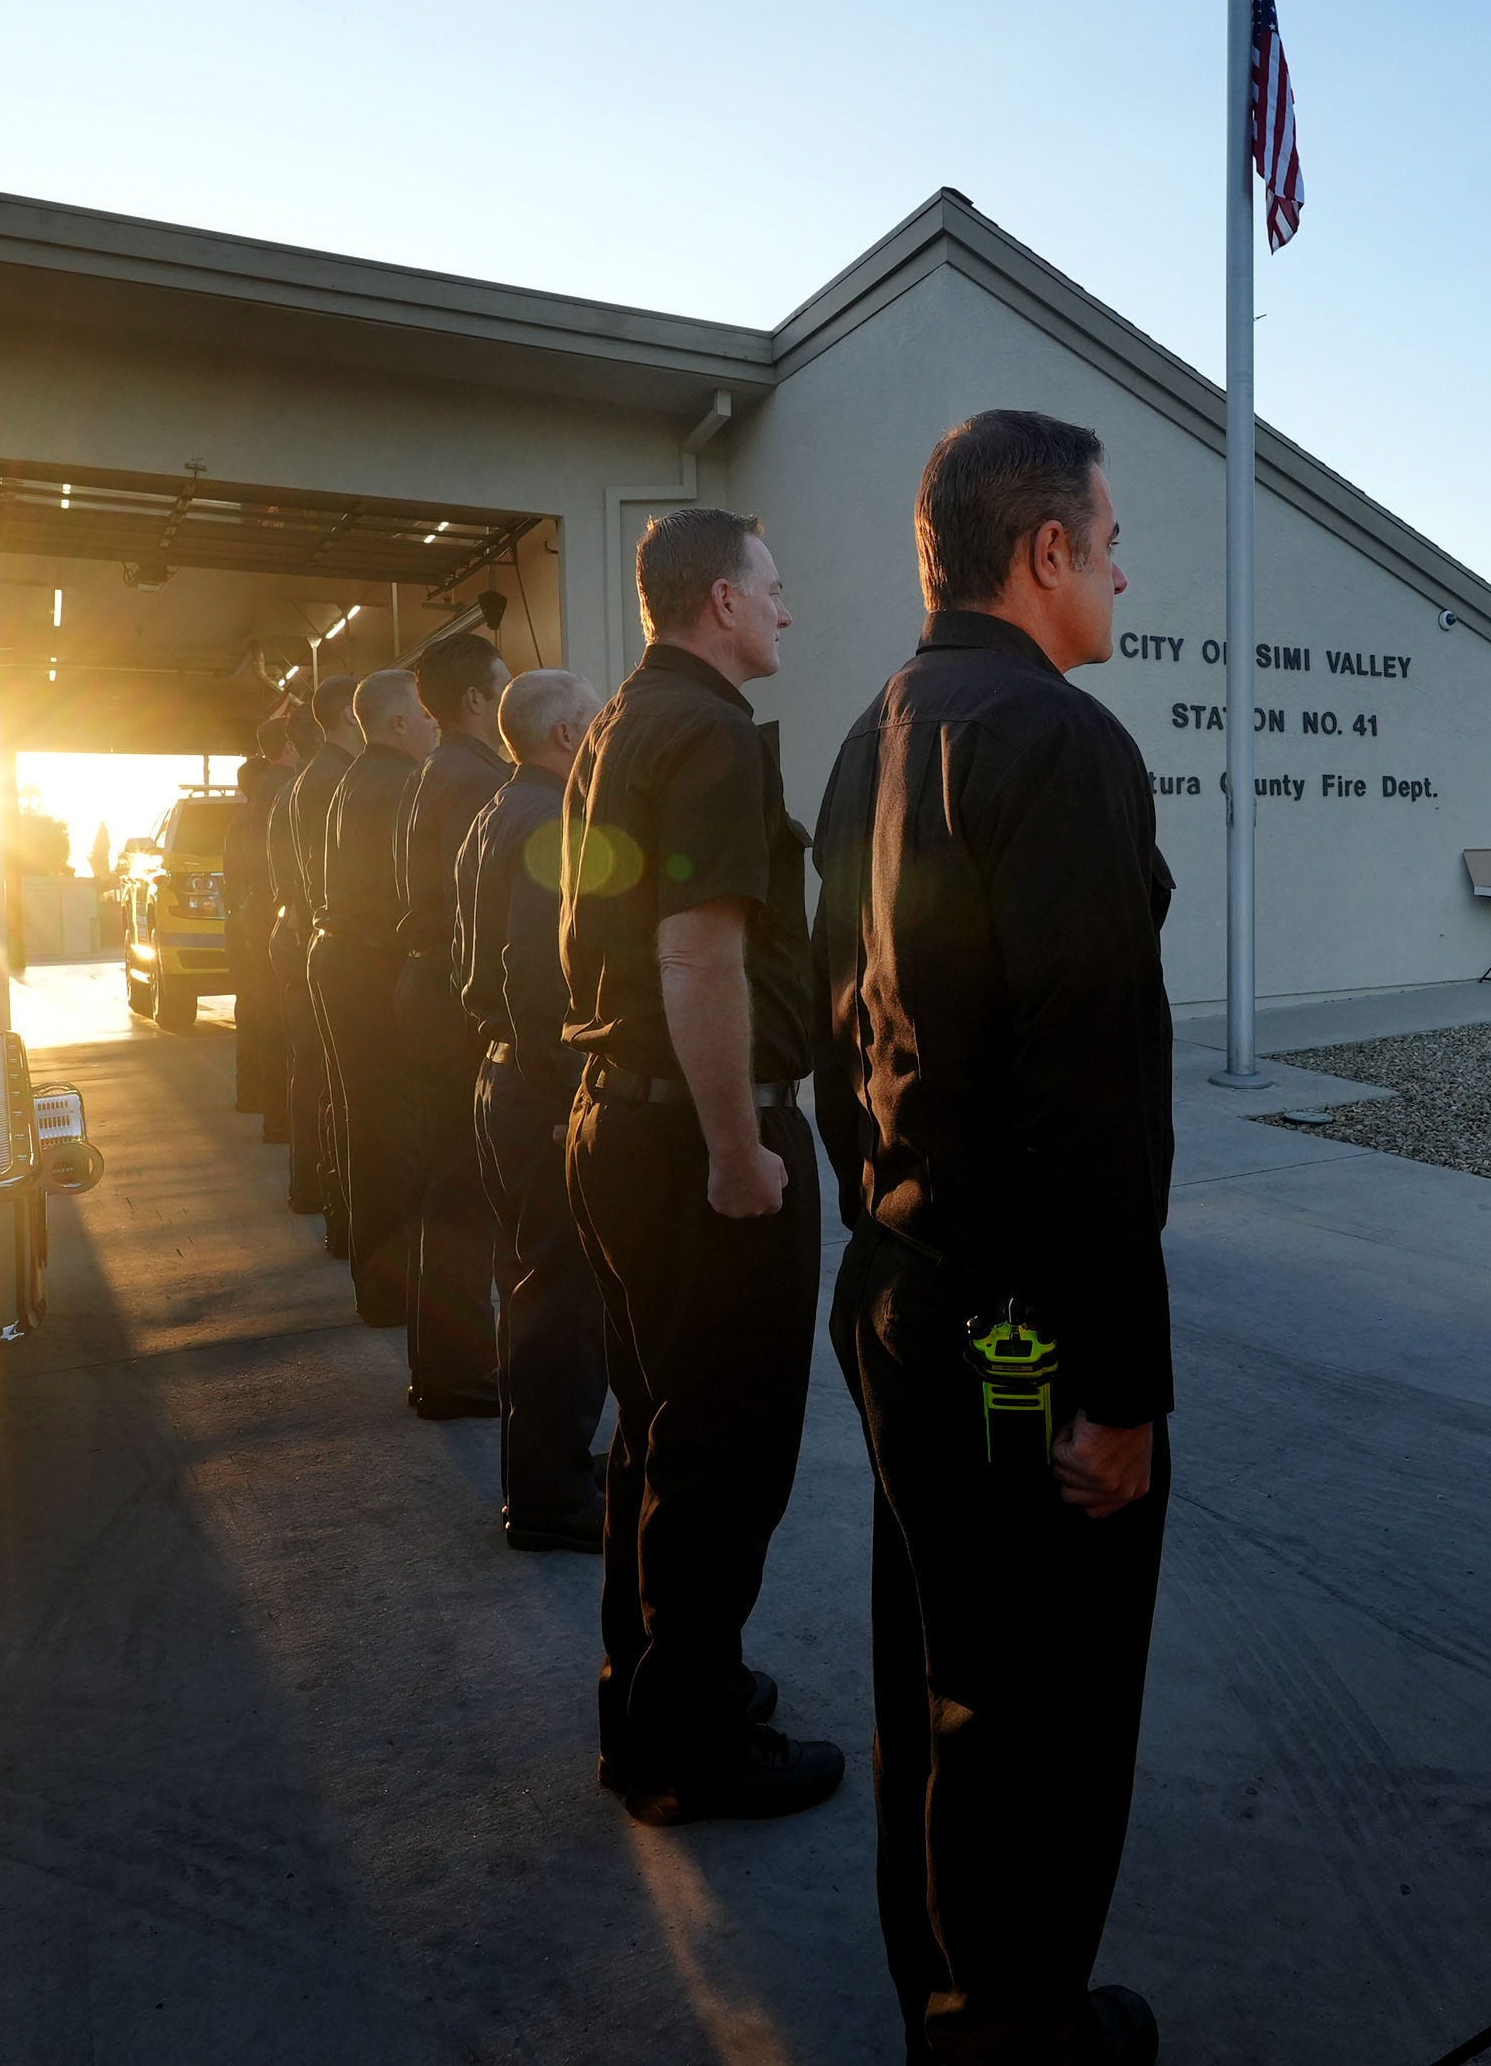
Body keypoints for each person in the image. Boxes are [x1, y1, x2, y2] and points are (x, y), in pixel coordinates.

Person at [814, 409, 1171, 2066]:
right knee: (1038, 1696)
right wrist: (1113, 1384)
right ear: (1041, 551)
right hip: (1016, 1329)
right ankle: (1015, 2032)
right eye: (1106, 539)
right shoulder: (1058, 743)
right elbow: (1091, 1095)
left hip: (898, 1288)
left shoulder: (869, 731)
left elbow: (834, 1030)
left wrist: (877, 1230)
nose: (1119, 566)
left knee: (938, 1674)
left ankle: (956, 2007)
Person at [562, 504, 839, 1826]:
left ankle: (661, 1696)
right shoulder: (713, 732)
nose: (788, 609)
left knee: (659, 1437)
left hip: (616, 1124)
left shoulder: (621, 721)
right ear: (720, 599)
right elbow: (697, 956)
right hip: (694, 1141)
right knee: (724, 1451)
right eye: (774, 588)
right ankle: (688, 1744)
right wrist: (740, 1149)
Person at [460, 666, 610, 1552]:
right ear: (565, 737)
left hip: (502, 1074)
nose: (601, 731)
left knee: (532, 1286)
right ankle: (551, 1498)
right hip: (541, 1089)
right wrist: (569, 1097)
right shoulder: (550, 822)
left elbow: (473, 962)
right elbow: (536, 972)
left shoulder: (495, 812)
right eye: (593, 719)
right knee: (564, 1299)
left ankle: (544, 1470)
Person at [394, 630, 514, 1419]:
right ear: (475, 700)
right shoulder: (476, 782)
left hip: (426, 988)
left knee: (449, 1184)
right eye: (504, 682)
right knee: (468, 1189)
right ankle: (459, 1374)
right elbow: (486, 914)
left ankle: (448, 1366)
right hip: (455, 997)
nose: (512, 693)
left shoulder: (440, 770)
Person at [317, 668, 436, 1331]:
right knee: (395, 1135)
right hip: (371, 967)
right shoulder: (400, 785)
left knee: (368, 1129)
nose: (432, 725)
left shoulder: (355, 777)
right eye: (424, 716)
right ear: (397, 723)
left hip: (345, 960)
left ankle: (380, 1287)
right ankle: (393, 1289)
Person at [279, 679, 358, 1240]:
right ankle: (330, 1198)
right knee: (333, 1081)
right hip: (325, 941)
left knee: (314, 1073)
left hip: (303, 938)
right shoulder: (337, 780)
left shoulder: (311, 778)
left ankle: (311, 1187)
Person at [226, 713, 298, 1139]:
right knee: (280, 1019)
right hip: (272, 913)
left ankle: (257, 1098)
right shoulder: (283, 792)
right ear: (290, 745)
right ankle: (281, 1115)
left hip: (249, 915)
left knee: (258, 1012)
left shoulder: (250, 805)